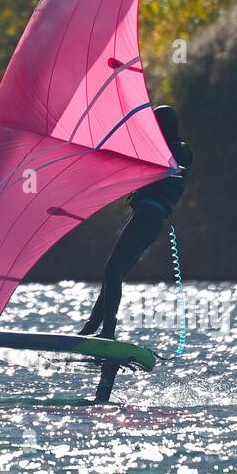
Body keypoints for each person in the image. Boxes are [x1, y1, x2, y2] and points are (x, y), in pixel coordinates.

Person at [80, 105, 193, 401]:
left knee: (112, 271)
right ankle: (94, 327)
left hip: (150, 218)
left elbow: (169, 164)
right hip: (146, 217)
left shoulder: (179, 151)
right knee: (112, 272)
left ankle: (105, 328)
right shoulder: (159, 149)